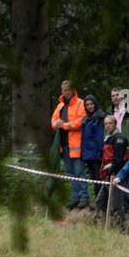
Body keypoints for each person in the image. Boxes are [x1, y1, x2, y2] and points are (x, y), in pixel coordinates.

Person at [50, 80, 87, 210]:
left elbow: (81, 121)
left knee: (79, 172)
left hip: (76, 145)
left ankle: (84, 198)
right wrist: (57, 125)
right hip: (64, 145)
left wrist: (64, 125)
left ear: (72, 90)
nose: (65, 93)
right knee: (70, 173)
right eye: (63, 90)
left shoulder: (80, 103)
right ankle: (75, 197)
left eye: (67, 90)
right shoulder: (60, 106)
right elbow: (53, 121)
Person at [78, 96, 104, 175]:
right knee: (93, 178)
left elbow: (100, 137)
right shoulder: (86, 119)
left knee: (98, 178)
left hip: (97, 155)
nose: (89, 106)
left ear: (95, 104)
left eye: (91, 104)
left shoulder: (101, 117)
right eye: (87, 105)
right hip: (88, 155)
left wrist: (100, 154)